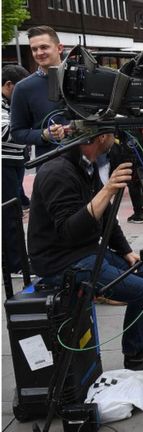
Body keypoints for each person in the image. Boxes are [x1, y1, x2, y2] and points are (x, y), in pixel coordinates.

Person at [27, 132, 143, 393]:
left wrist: (125, 251)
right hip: (61, 261)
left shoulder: (86, 165)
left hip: (87, 251)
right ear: (98, 137)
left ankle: (135, 353)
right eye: (111, 135)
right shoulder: (58, 172)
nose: (114, 140)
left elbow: (105, 217)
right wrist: (108, 189)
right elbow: (69, 230)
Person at [9, 26, 68, 158]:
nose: (39, 53)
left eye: (44, 47)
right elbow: (17, 132)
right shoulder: (23, 88)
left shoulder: (84, 77)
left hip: (92, 161)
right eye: (34, 49)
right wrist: (44, 134)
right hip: (51, 165)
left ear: (59, 48)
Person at [2, 64, 31, 277]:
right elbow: (6, 133)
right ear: (8, 85)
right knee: (10, 214)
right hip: (4, 162)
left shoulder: (10, 104)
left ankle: (17, 257)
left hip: (15, 161)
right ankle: (14, 264)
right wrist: (26, 128)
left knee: (14, 212)